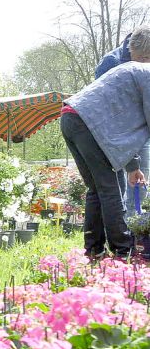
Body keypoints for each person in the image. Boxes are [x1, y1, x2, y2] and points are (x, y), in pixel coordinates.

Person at [60, 31, 150, 259]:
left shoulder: (129, 69)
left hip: (71, 117)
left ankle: (94, 248)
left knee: (97, 189)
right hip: (89, 124)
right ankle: (123, 250)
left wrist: (133, 166)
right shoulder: (145, 72)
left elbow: (119, 126)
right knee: (111, 189)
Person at [97, 27, 150, 218]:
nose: (145, 63)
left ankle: (133, 230)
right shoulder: (111, 62)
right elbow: (101, 102)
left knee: (140, 179)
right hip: (115, 132)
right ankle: (117, 234)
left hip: (140, 130)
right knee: (116, 186)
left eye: (148, 59)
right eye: (142, 58)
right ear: (131, 49)